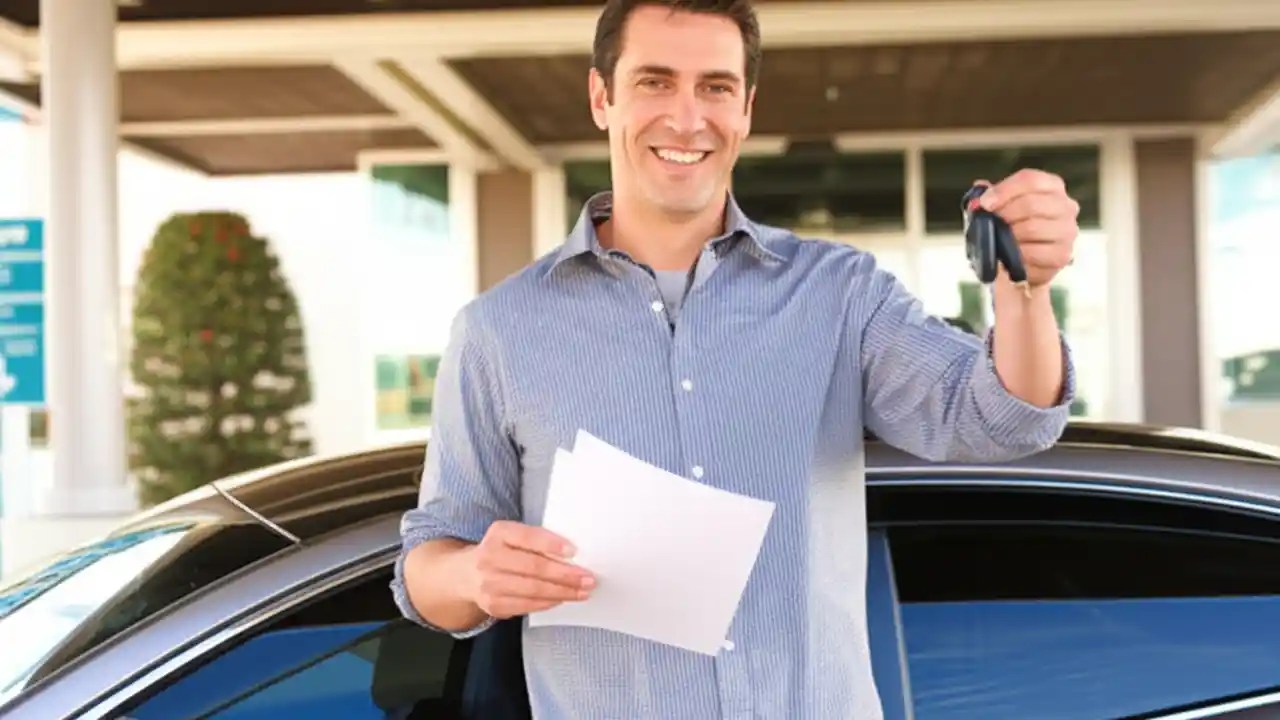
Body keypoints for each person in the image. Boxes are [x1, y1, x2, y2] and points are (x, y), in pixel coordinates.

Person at [391, 0, 1080, 717]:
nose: (687, 118)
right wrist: (472, 575)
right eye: (655, 82)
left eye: (715, 87)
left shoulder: (839, 294)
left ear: (746, 108)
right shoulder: (499, 332)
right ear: (601, 97)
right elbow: (426, 573)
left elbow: (1004, 421)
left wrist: (1024, 291)